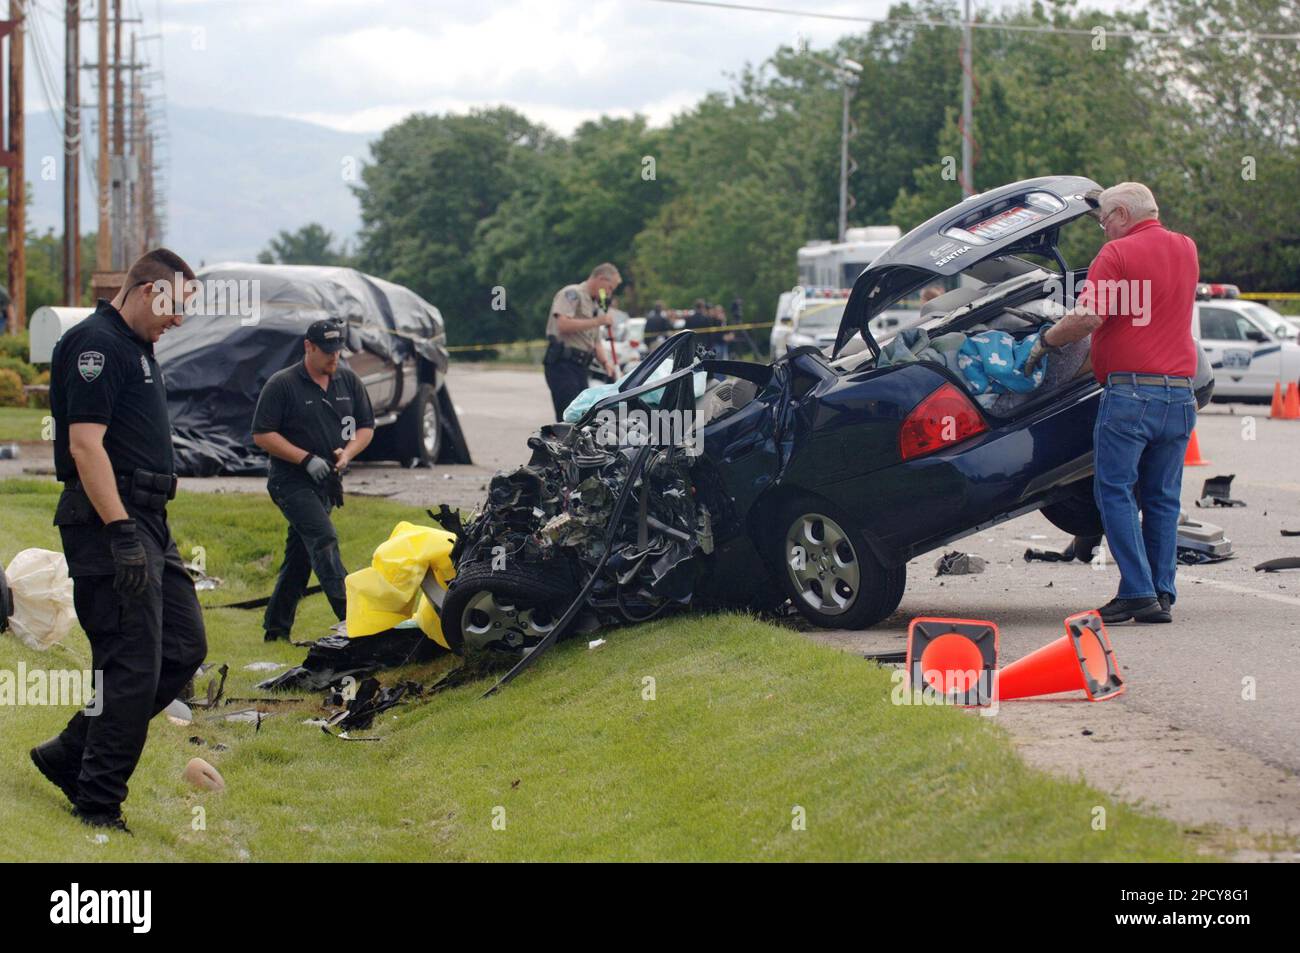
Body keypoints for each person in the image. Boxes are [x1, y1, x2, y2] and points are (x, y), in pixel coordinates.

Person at [31, 248, 207, 832]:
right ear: (148, 290)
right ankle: (98, 801)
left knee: (183, 648)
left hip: (150, 522)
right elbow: (85, 446)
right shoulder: (96, 346)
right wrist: (123, 532)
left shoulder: (139, 348)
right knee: (130, 666)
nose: (178, 320)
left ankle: (69, 753)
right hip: (112, 525)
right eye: (175, 308)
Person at [1024, 182, 1198, 624]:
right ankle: (1162, 593)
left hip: (1131, 396)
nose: (1104, 231)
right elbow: (1148, 309)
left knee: (1114, 492)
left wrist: (1044, 341)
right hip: (1179, 394)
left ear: (1122, 213)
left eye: (1104, 221)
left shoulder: (1116, 255)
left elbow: (1089, 316)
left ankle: (1137, 591)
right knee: (1162, 498)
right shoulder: (1186, 248)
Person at [252, 319, 375, 642]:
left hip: (327, 484)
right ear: (309, 347)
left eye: (338, 351)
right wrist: (304, 459)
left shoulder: (348, 381)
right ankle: (354, 621)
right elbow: (262, 434)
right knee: (323, 539)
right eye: (327, 352)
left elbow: (366, 427)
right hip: (289, 482)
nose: (334, 358)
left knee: (300, 557)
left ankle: (275, 629)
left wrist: (347, 454)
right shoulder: (283, 384)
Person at [543, 263, 620, 419]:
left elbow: (595, 340)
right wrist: (598, 321)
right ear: (601, 279)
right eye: (610, 288)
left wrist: (606, 363)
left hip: (581, 367)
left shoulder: (595, 304)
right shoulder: (572, 293)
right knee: (569, 416)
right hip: (563, 363)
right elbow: (563, 324)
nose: (610, 293)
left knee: (582, 415)